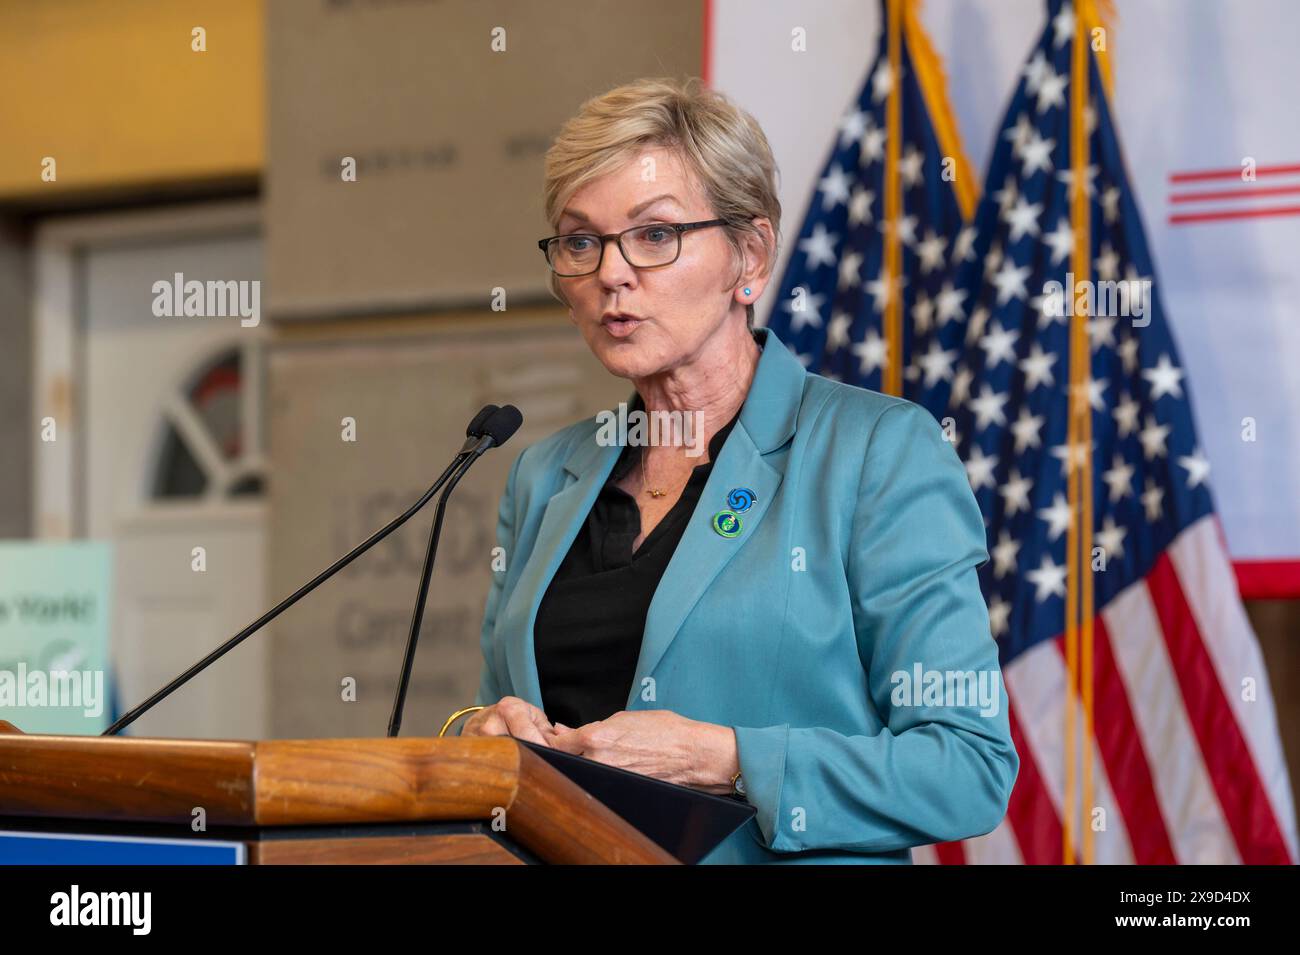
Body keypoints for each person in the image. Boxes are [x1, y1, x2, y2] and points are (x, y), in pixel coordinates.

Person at [447, 76, 1018, 864]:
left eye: (653, 235)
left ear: (749, 258)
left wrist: (727, 760)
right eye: (581, 241)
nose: (611, 273)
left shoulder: (877, 452)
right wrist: (480, 737)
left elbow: (966, 768)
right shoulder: (544, 474)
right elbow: (487, 710)